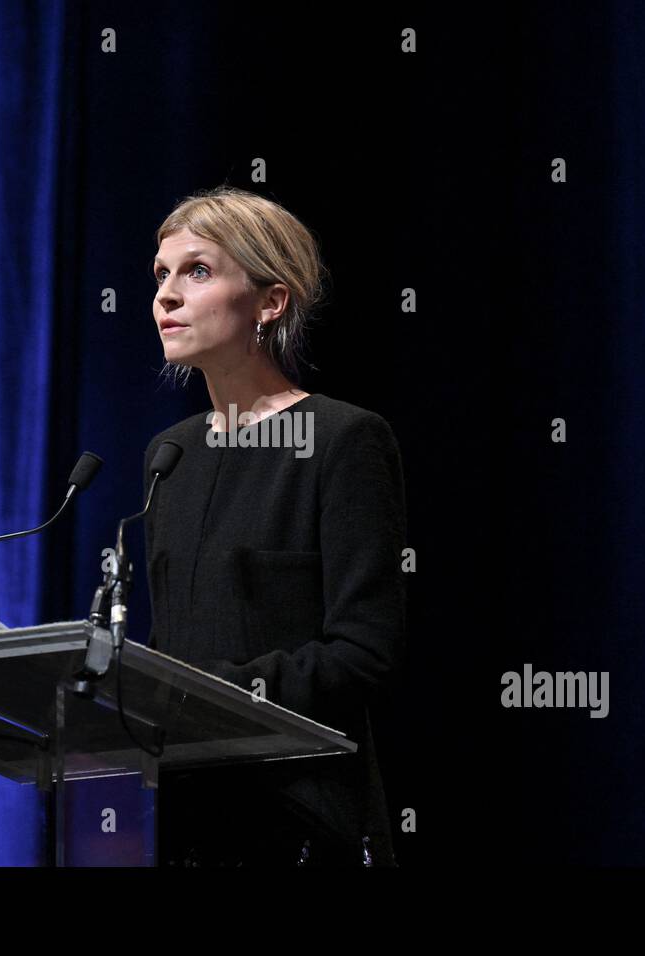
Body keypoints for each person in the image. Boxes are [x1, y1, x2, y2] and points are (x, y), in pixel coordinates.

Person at [141, 186, 407, 866]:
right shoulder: (170, 455)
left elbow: (361, 652)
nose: (167, 295)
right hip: (183, 822)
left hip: (298, 817)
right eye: (161, 274)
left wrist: (203, 694)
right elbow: (168, 646)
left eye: (196, 271)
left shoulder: (343, 439)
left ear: (270, 302)